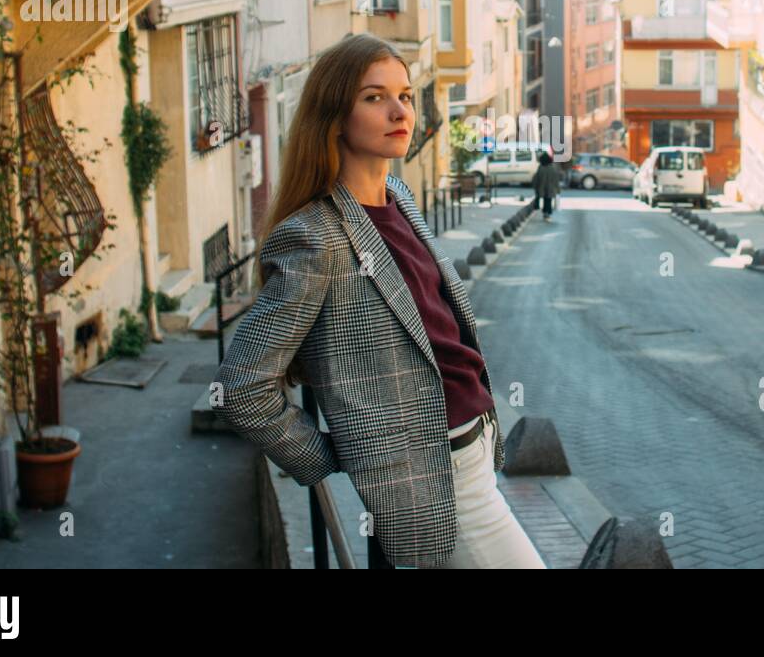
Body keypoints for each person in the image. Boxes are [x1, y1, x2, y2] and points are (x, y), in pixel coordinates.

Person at [214, 33, 545, 569]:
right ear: (334, 116)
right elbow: (241, 386)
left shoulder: (401, 199)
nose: (399, 110)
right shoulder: (315, 237)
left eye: (406, 95)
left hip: (474, 446)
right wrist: (331, 457)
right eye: (374, 97)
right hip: (436, 477)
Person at [533, 150, 561, 220]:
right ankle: (548, 213)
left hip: (542, 188)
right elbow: (556, 179)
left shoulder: (541, 167)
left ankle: (545, 213)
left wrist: (535, 187)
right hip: (551, 188)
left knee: (544, 200)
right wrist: (558, 189)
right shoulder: (553, 168)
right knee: (548, 200)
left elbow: (537, 178)